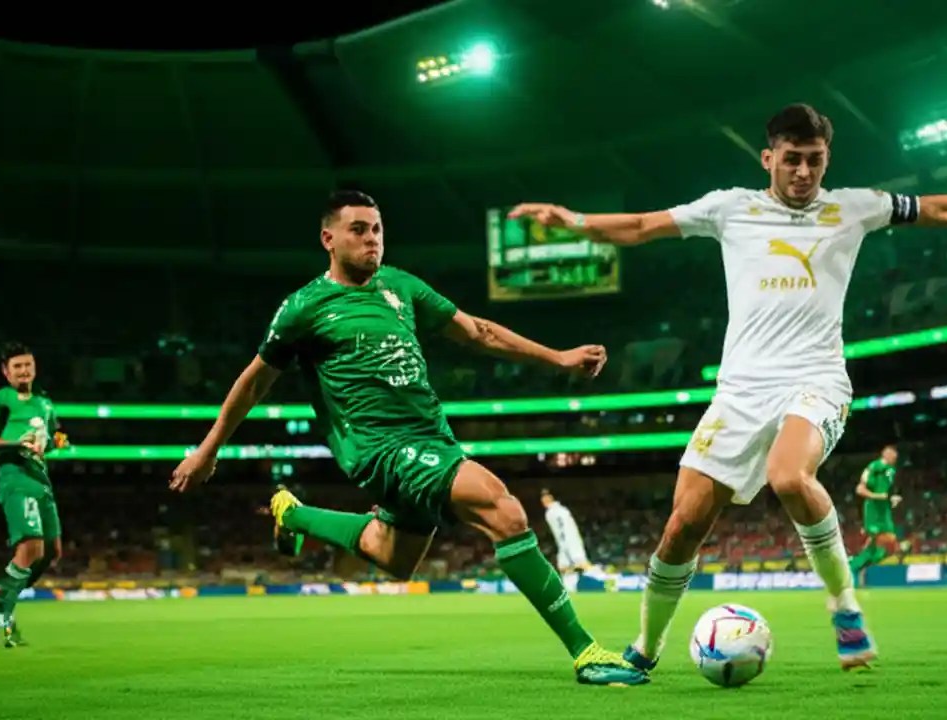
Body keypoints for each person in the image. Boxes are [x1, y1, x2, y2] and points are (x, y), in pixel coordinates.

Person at [509, 103, 947, 672]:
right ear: (769, 159)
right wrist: (575, 221)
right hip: (738, 394)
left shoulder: (854, 208)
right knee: (682, 526)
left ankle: (845, 608)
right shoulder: (730, 208)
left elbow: (938, 209)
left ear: (826, 159)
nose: (804, 172)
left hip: (816, 380)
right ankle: (645, 651)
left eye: (814, 160)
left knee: (788, 475)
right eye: (792, 160)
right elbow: (641, 226)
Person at [169, 190, 647, 687]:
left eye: (376, 229)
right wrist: (208, 449)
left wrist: (559, 357)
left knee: (393, 556)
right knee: (503, 509)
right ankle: (585, 651)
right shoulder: (303, 308)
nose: (371, 239)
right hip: (380, 449)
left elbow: (478, 331)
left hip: (429, 435)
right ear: (328, 239)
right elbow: (254, 381)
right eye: (358, 229)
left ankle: (293, 513)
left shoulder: (401, 286)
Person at [0, 341, 69, 647]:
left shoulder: (44, 403)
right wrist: (15, 445)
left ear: (34, 366)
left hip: (41, 480)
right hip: (15, 477)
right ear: (5, 371)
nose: (24, 371)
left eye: (28, 365)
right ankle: (2, 610)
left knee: (52, 552)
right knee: (31, 548)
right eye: (17, 366)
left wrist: (54, 443)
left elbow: (58, 435)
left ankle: (2, 593)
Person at [849, 445, 902, 585]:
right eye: (893, 454)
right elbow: (860, 489)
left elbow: (886, 491)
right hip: (873, 510)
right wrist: (876, 496)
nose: (895, 458)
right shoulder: (874, 467)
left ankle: (858, 566)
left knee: (890, 544)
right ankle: (852, 568)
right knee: (878, 541)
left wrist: (891, 499)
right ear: (886, 454)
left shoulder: (892, 471)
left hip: (885, 510)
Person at [540, 489, 604, 582]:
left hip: (569, 544)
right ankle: (570, 592)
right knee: (564, 568)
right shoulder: (559, 511)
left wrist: (567, 547)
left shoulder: (555, 512)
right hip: (565, 545)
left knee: (582, 565)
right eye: (542, 497)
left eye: (545, 497)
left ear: (551, 497)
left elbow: (565, 531)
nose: (543, 500)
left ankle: (605, 578)